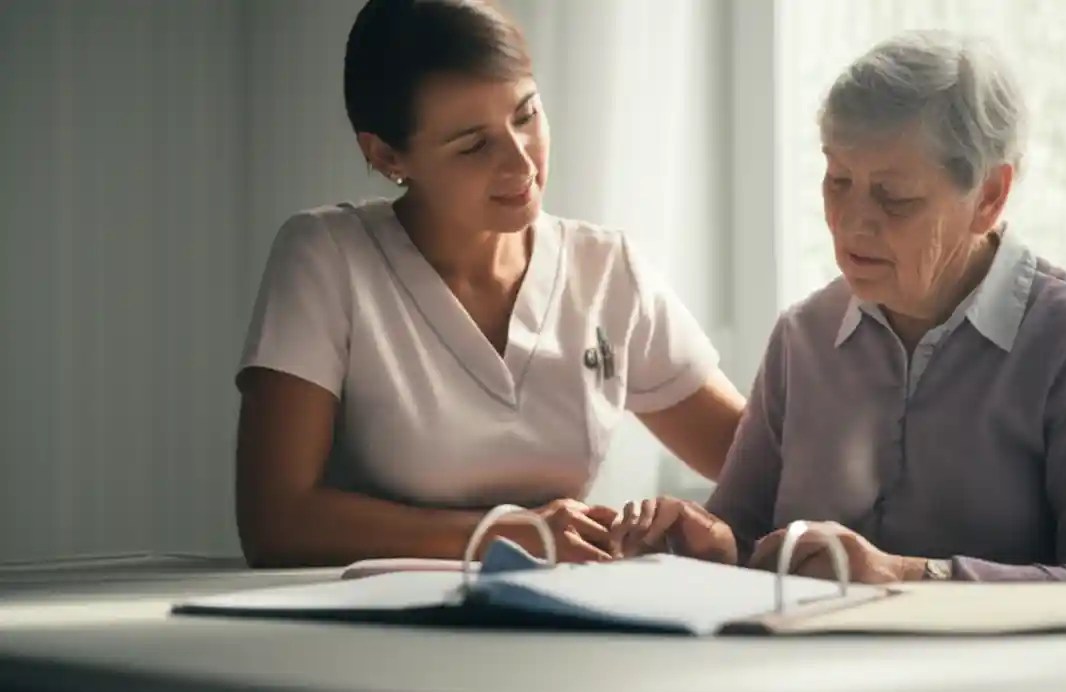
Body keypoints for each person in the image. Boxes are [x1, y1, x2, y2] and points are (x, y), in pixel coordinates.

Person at [613, 31, 1066, 586]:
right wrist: (707, 543)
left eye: (893, 197)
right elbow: (743, 540)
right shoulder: (801, 337)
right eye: (838, 182)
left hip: (1004, 675)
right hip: (806, 668)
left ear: (989, 196)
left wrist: (908, 575)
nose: (852, 224)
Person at [235, 0, 744, 568]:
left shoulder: (604, 269)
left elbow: (759, 462)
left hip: (556, 618)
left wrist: (704, 528)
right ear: (385, 155)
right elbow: (276, 520)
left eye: (526, 116)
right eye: (475, 145)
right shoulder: (328, 256)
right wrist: (501, 535)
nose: (521, 164)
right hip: (366, 629)